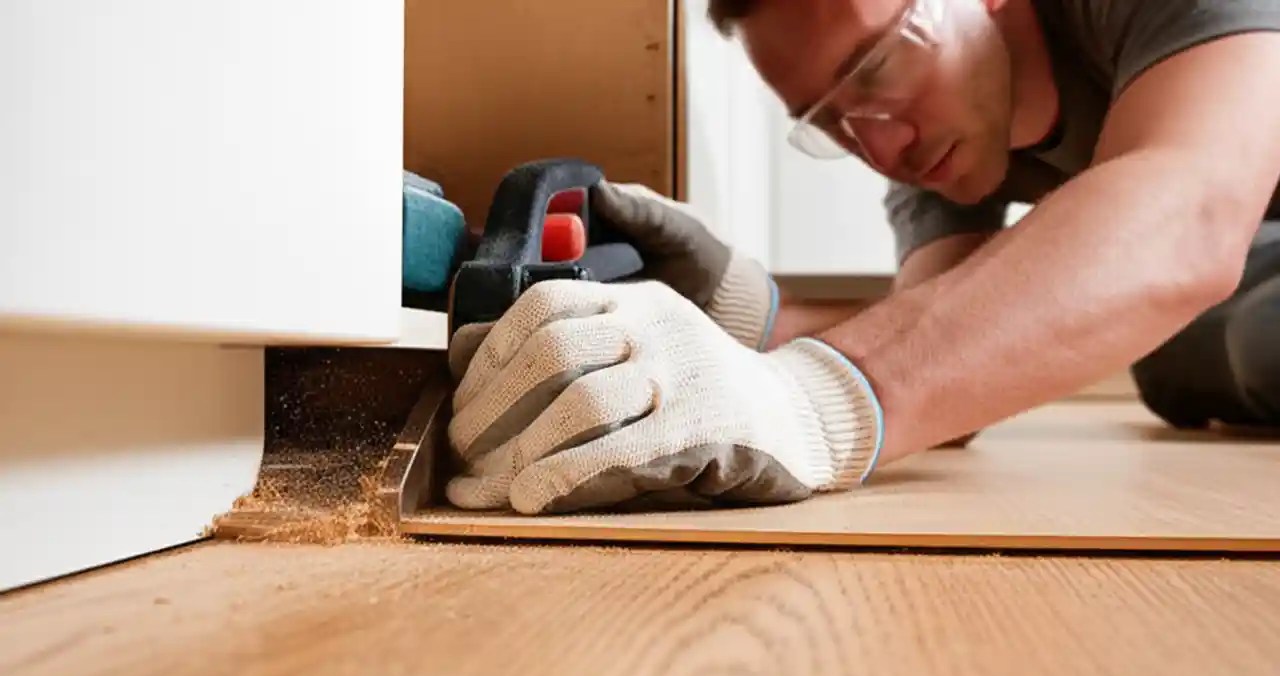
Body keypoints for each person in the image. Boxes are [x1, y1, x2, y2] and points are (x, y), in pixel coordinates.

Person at [444, 0, 1280, 515]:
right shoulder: (936, 143)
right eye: (832, 121)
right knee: (1179, 350)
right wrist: (747, 318)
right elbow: (964, 366)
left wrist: (809, 405)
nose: (879, 148)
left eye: (876, 69)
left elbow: (1190, 216)